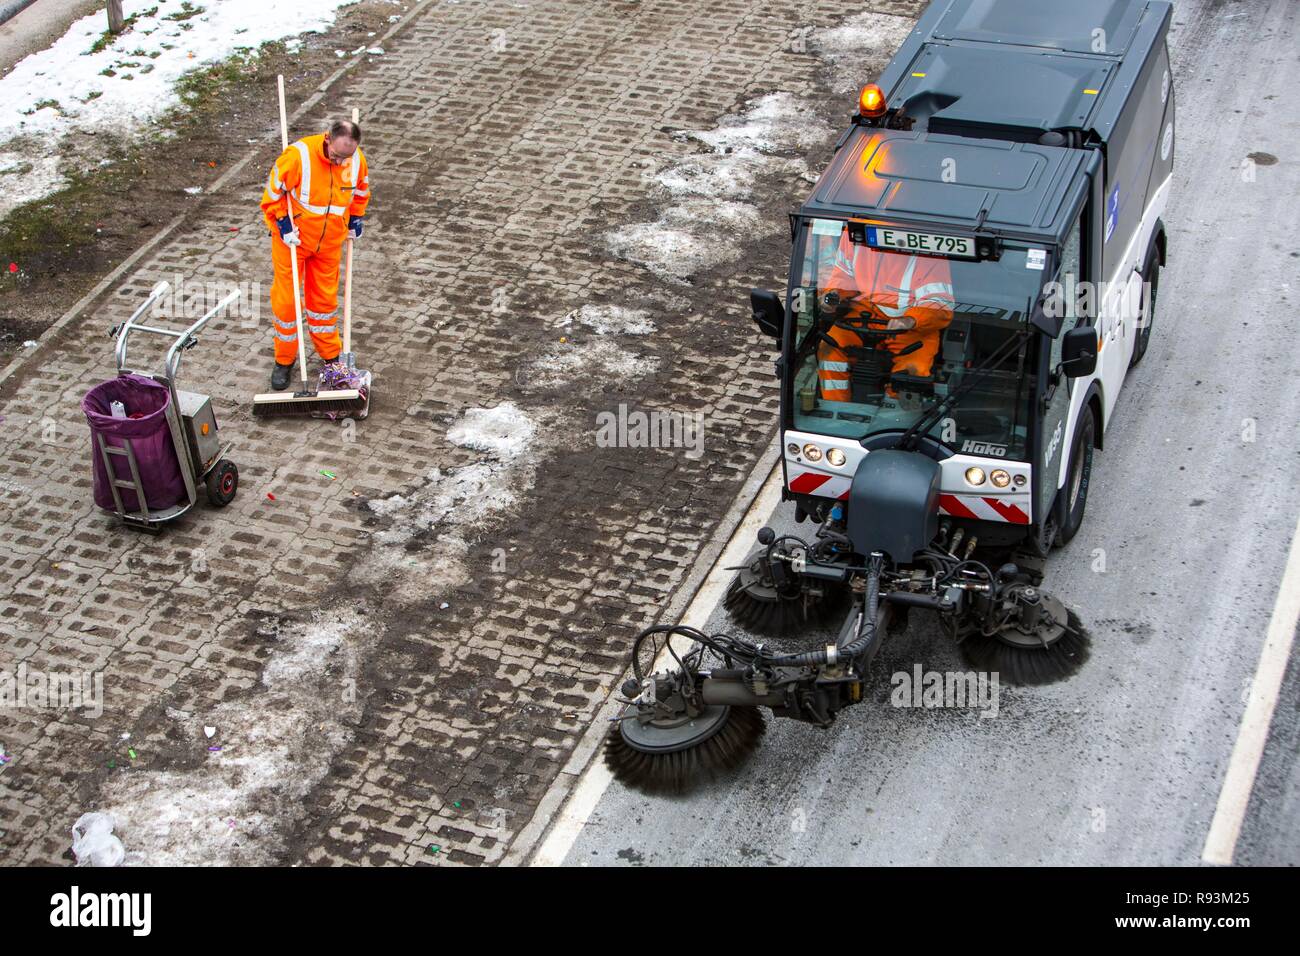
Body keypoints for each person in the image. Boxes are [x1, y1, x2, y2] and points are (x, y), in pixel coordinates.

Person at [259, 119, 370, 389]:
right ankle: (284, 361)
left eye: (346, 156)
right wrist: (283, 225)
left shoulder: (355, 161)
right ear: (327, 139)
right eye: (336, 155)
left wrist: (356, 218)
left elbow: (360, 191)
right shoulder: (298, 157)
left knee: (323, 303)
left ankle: (331, 357)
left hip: (330, 242)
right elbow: (272, 195)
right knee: (286, 304)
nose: (340, 162)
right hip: (292, 241)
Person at [816, 233, 954, 403]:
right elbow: (844, 275)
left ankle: (890, 420)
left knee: (912, 373)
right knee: (829, 349)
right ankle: (835, 409)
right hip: (866, 312)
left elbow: (939, 304)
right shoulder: (856, 230)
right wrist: (834, 294)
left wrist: (910, 320)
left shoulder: (928, 244)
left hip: (914, 325)